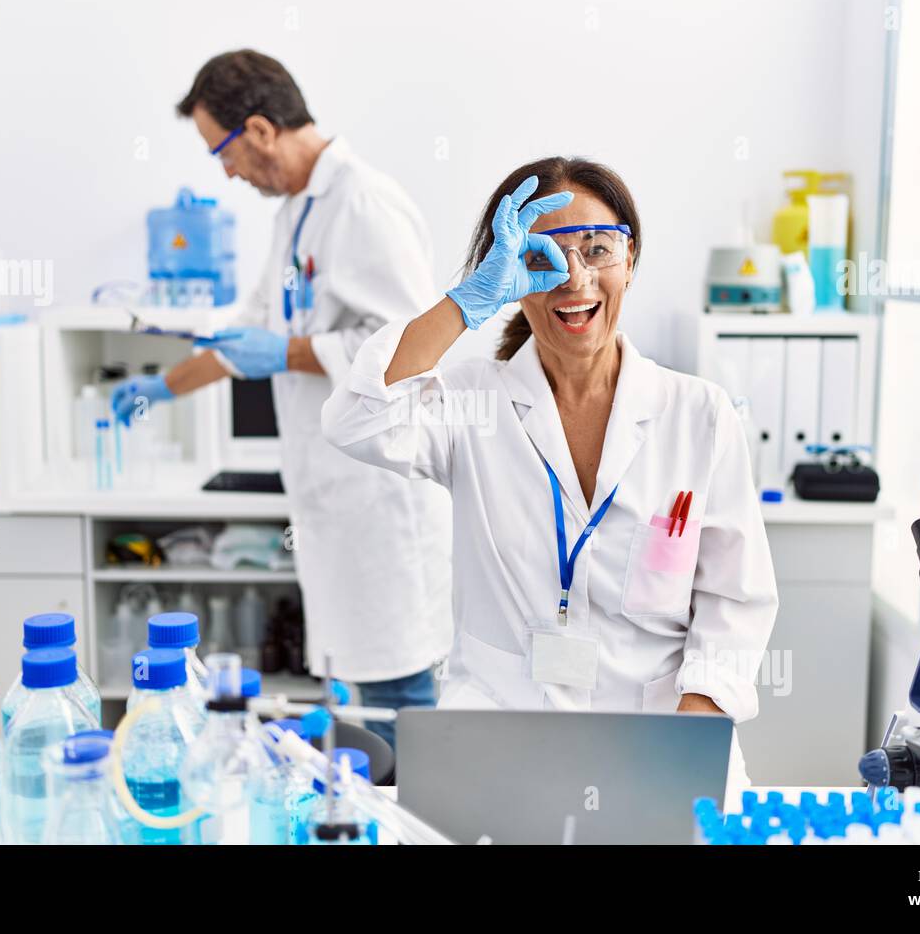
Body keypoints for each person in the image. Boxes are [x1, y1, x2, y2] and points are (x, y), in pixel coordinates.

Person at [321, 157, 778, 785]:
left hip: (661, 739)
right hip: (501, 741)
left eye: (597, 249)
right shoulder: (471, 403)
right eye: (543, 258)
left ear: (631, 261)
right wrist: (465, 303)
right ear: (507, 273)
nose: (575, 278)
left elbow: (736, 602)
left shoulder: (698, 414)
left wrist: (685, 742)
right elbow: (356, 418)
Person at [111, 50, 451, 748]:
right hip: (334, 503)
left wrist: (292, 354)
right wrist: (162, 386)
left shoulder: (362, 201)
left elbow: (414, 346)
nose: (227, 172)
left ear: (261, 130)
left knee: (402, 708)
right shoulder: (296, 214)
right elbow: (252, 336)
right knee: (359, 704)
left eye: (223, 153)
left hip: (382, 506)